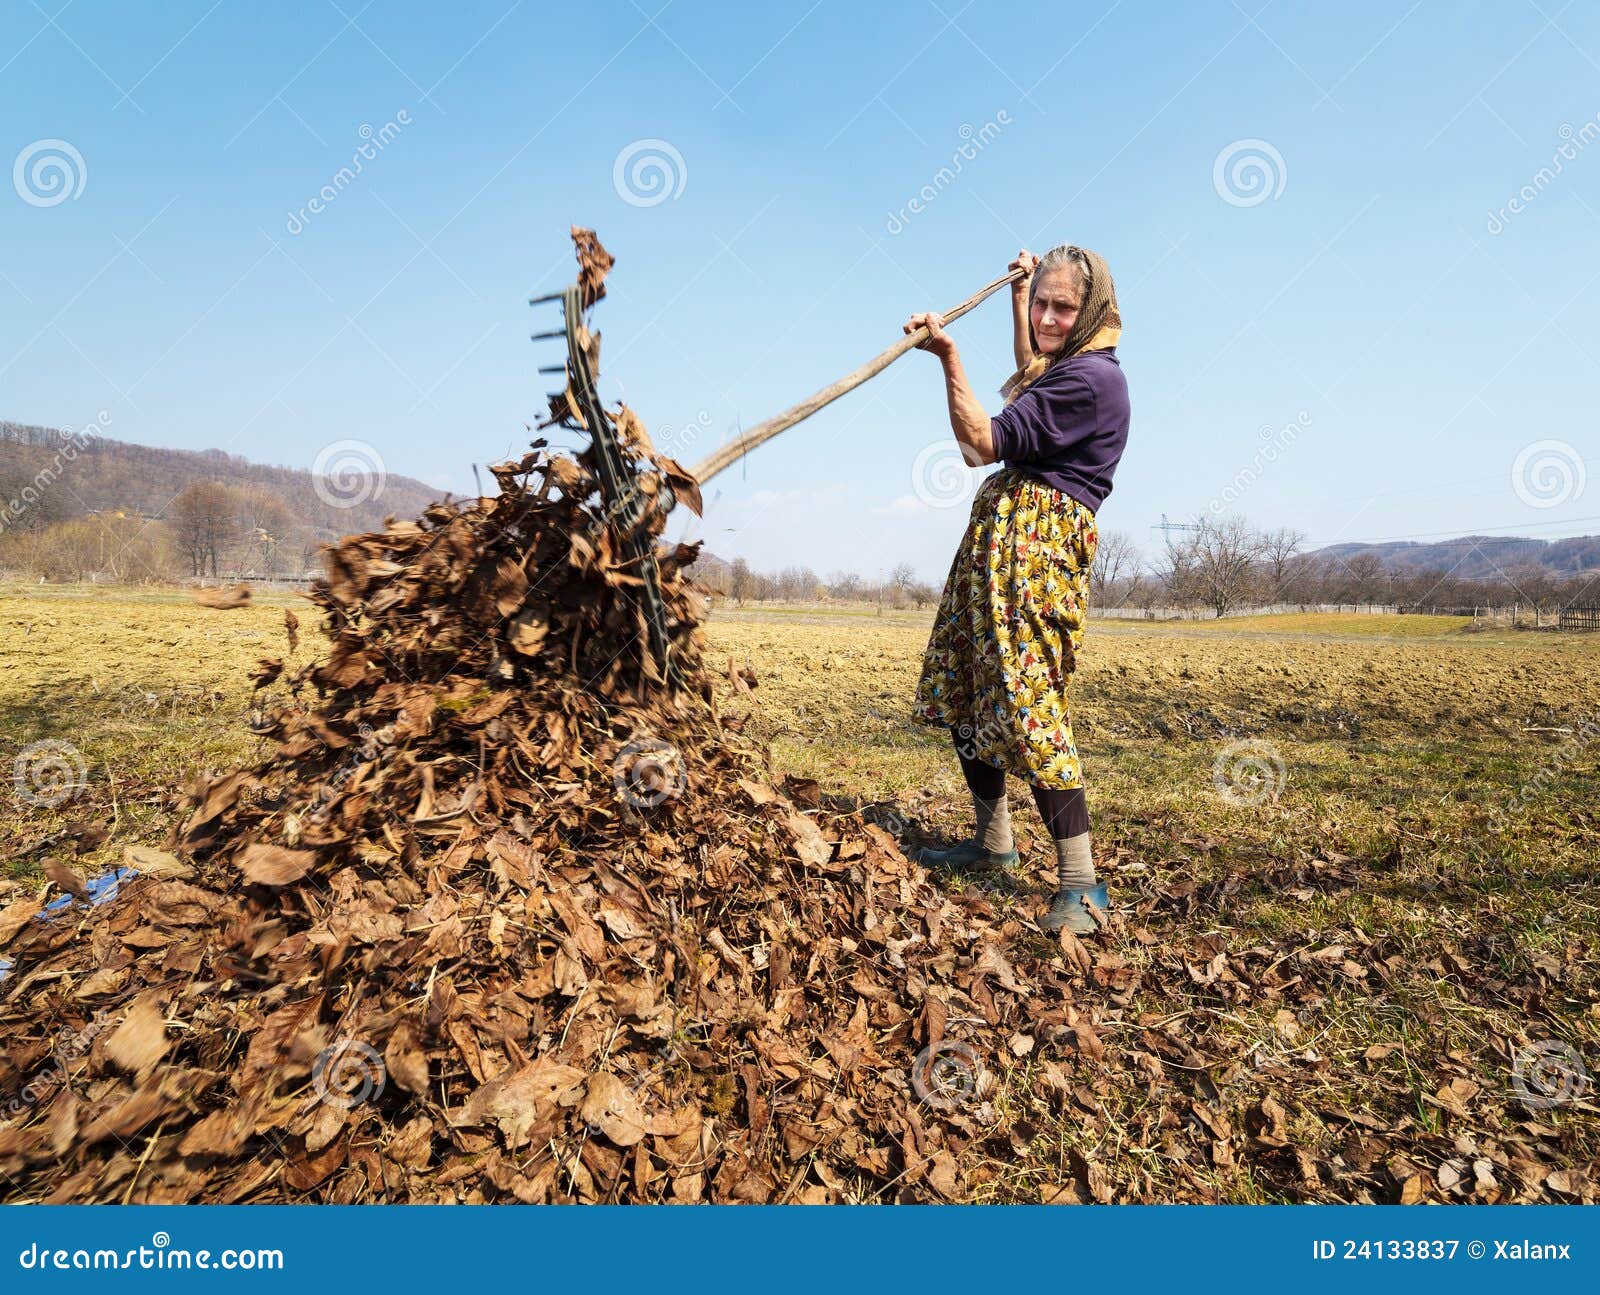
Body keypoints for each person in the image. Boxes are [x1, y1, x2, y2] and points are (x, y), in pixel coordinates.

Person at [903, 244, 1130, 934]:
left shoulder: (1092, 381)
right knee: (966, 685)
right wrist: (1017, 294)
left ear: (1091, 310)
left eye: (1063, 306)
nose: (1049, 318)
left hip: (1036, 557)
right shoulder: (1062, 370)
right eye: (1042, 304)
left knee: (1030, 704)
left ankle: (1082, 885)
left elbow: (979, 442)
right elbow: (1032, 369)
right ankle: (994, 843)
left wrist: (948, 357)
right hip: (998, 546)